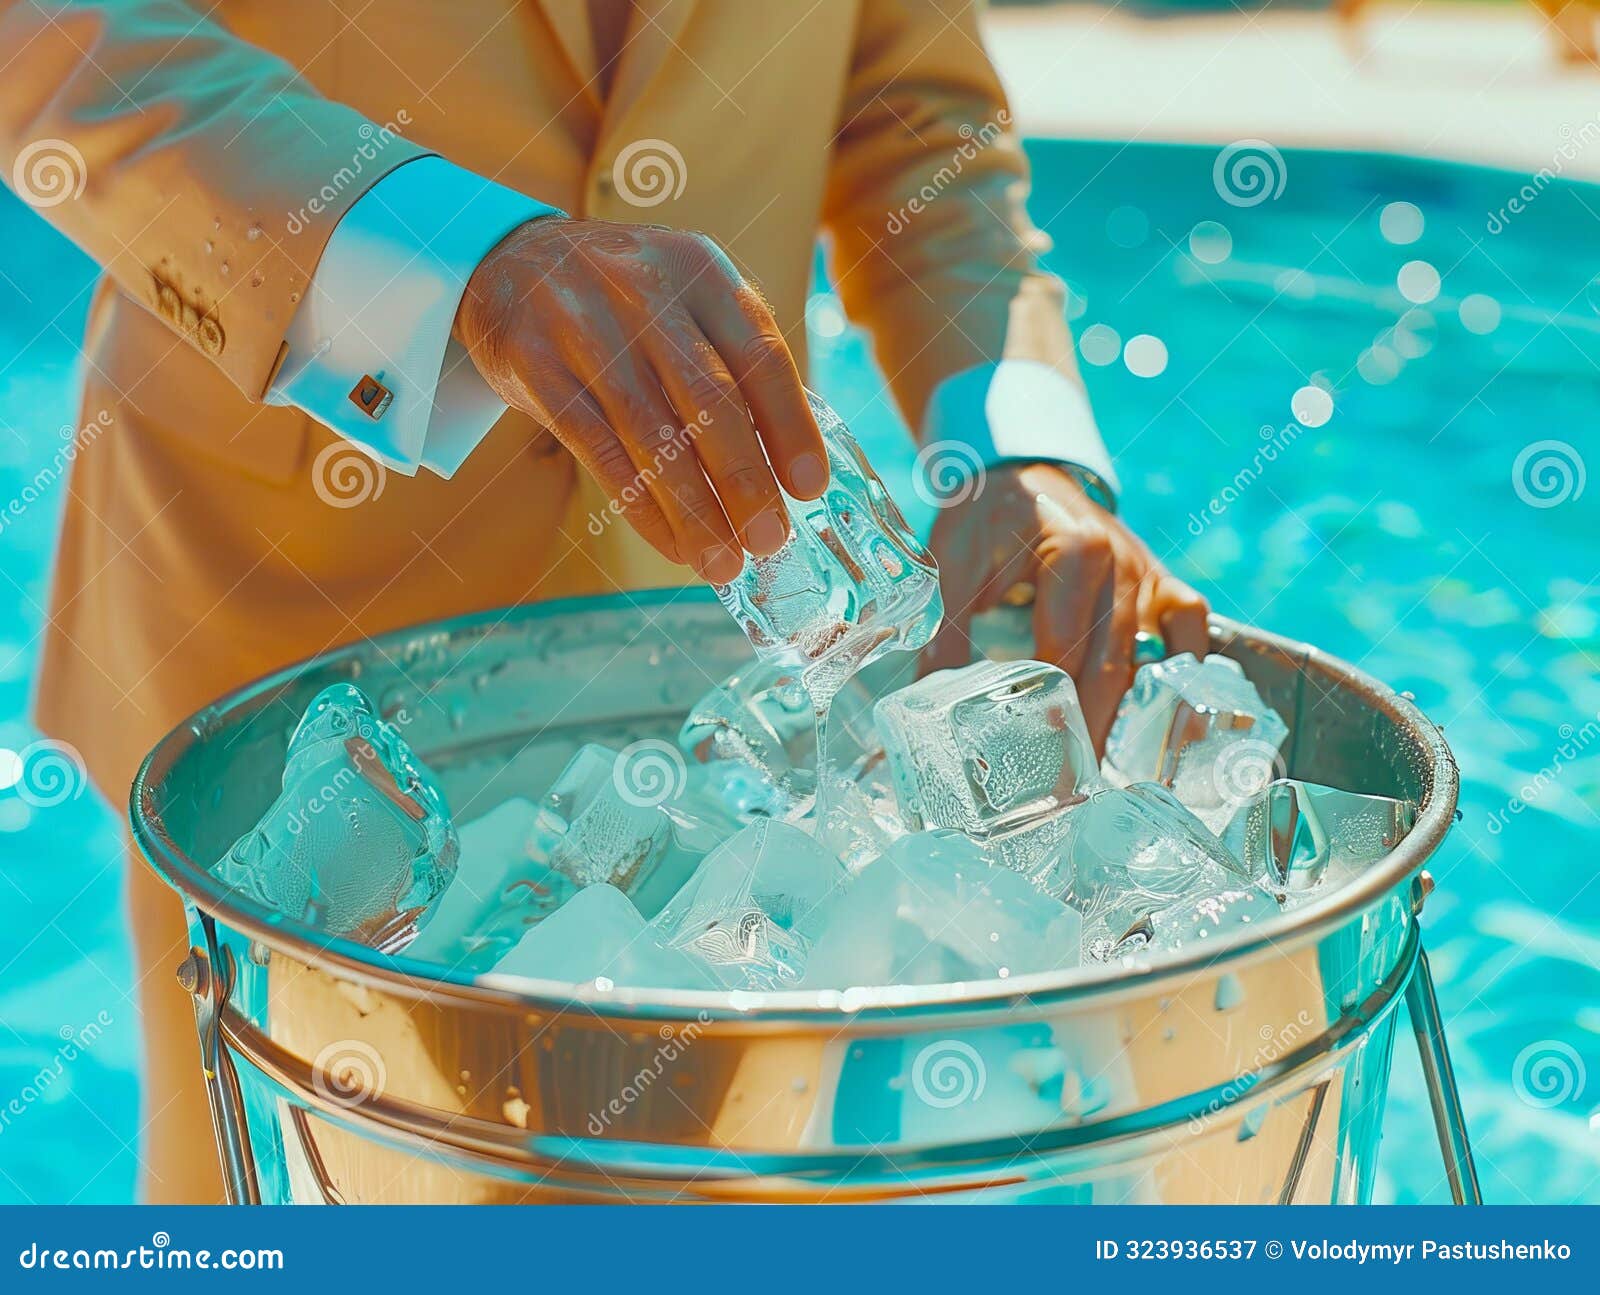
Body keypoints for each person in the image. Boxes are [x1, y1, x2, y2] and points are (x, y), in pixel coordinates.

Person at [0, 0, 1208, 1202]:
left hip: (698, 630)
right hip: (284, 610)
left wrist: (1013, 440)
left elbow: (910, 107)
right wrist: (459, 262)